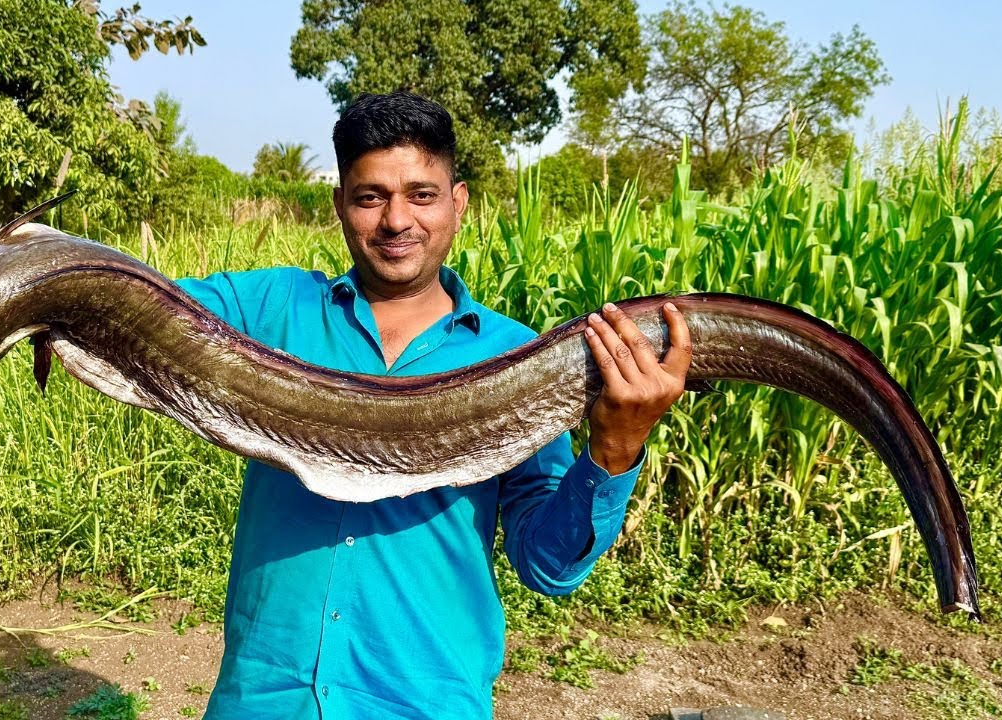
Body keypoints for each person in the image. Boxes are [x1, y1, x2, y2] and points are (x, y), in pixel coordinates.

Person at [177, 90, 691, 719]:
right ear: (339, 204)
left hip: (422, 703)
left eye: (421, 195)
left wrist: (615, 448)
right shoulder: (267, 309)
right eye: (371, 197)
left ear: (458, 202)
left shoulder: (518, 360)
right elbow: (135, 307)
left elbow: (547, 564)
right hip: (263, 699)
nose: (397, 222)